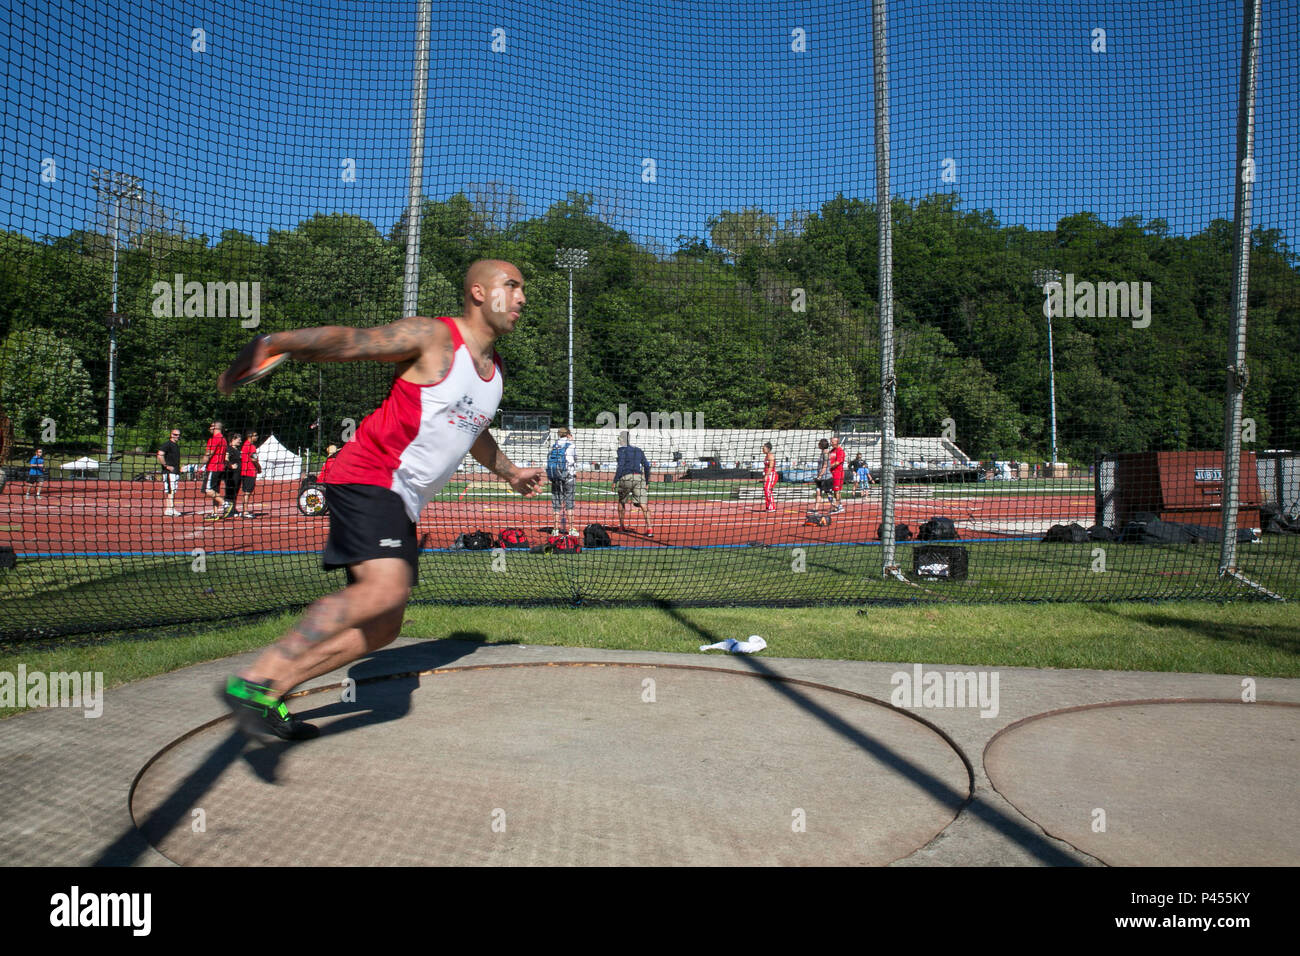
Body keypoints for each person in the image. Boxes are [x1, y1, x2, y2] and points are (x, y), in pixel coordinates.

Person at [216, 259, 542, 740]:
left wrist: (511, 472)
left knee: (385, 624)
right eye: (511, 286)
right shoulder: (435, 338)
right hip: (370, 476)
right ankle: (254, 677)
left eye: (521, 289)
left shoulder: (494, 375)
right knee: (382, 591)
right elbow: (355, 341)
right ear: (478, 292)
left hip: (402, 499)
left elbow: (474, 431)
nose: (521, 298)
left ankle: (268, 692)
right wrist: (278, 342)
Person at [613, 430, 653, 536]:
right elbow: (647, 466)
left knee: (622, 502)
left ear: (622, 440)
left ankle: (621, 526)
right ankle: (649, 529)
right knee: (644, 505)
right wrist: (647, 481)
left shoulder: (621, 450)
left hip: (626, 477)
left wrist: (615, 480)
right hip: (639, 478)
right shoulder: (638, 450)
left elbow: (620, 466)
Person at [547, 426, 577, 534]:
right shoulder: (571, 445)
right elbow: (574, 459)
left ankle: (555, 529)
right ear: (568, 434)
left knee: (556, 505)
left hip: (556, 477)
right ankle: (571, 529)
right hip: (569, 477)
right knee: (569, 504)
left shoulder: (554, 446)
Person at [202, 421, 231, 520]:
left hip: (213, 467)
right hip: (220, 468)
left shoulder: (215, 438)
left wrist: (201, 465)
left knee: (208, 489)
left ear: (215, 428)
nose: (210, 428)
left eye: (211, 426)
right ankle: (215, 513)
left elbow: (209, 453)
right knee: (214, 490)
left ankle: (225, 503)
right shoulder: (223, 439)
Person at [157, 428, 182, 515]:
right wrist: (166, 466)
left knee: (171, 491)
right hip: (169, 473)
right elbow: (160, 455)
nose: (177, 436)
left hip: (175, 472)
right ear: (171, 434)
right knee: (171, 490)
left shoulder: (176, 445)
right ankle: (171, 508)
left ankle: (168, 509)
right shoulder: (167, 444)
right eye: (175, 434)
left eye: (178, 435)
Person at [239, 430, 262, 517]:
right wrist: (259, 467)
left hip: (245, 471)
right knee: (247, 492)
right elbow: (254, 459)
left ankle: (244, 510)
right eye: (255, 435)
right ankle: (245, 512)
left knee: (246, 492)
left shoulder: (245, 445)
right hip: (250, 471)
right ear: (250, 436)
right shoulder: (251, 446)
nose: (257, 437)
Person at [223, 433, 244, 517]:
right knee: (230, 492)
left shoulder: (237, 450)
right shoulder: (229, 448)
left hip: (238, 474)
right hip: (231, 474)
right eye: (238, 439)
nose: (240, 441)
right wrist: (231, 465)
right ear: (232, 439)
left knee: (235, 492)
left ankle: (233, 509)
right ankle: (227, 511)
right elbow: (225, 459)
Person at [827, 436, 846, 514]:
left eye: (832, 442)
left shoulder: (840, 451)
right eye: (831, 442)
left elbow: (837, 462)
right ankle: (839, 505)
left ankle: (838, 506)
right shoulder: (831, 451)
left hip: (838, 473)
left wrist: (827, 467)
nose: (831, 443)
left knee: (837, 490)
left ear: (837, 442)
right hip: (831, 473)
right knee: (832, 491)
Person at [812, 438, 831, 512]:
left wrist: (820, 475)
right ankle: (816, 508)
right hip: (821, 476)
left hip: (826, 477)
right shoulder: (822, 453)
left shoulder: (826, 453)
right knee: (818, 492)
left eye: (819, 443)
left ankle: (835, 505)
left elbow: (825, 465)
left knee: (828, 493)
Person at [762, 442, 777, 512]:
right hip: (767, 474)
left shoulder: (771, 456)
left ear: (768, 448)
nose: (762, 449)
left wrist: (767, 475)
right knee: (766, 490)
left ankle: (772, 507)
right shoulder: (766, 456)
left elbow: (771, 467)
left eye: (764, 448)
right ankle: (768, 506)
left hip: (771, 474)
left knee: (767, 489)